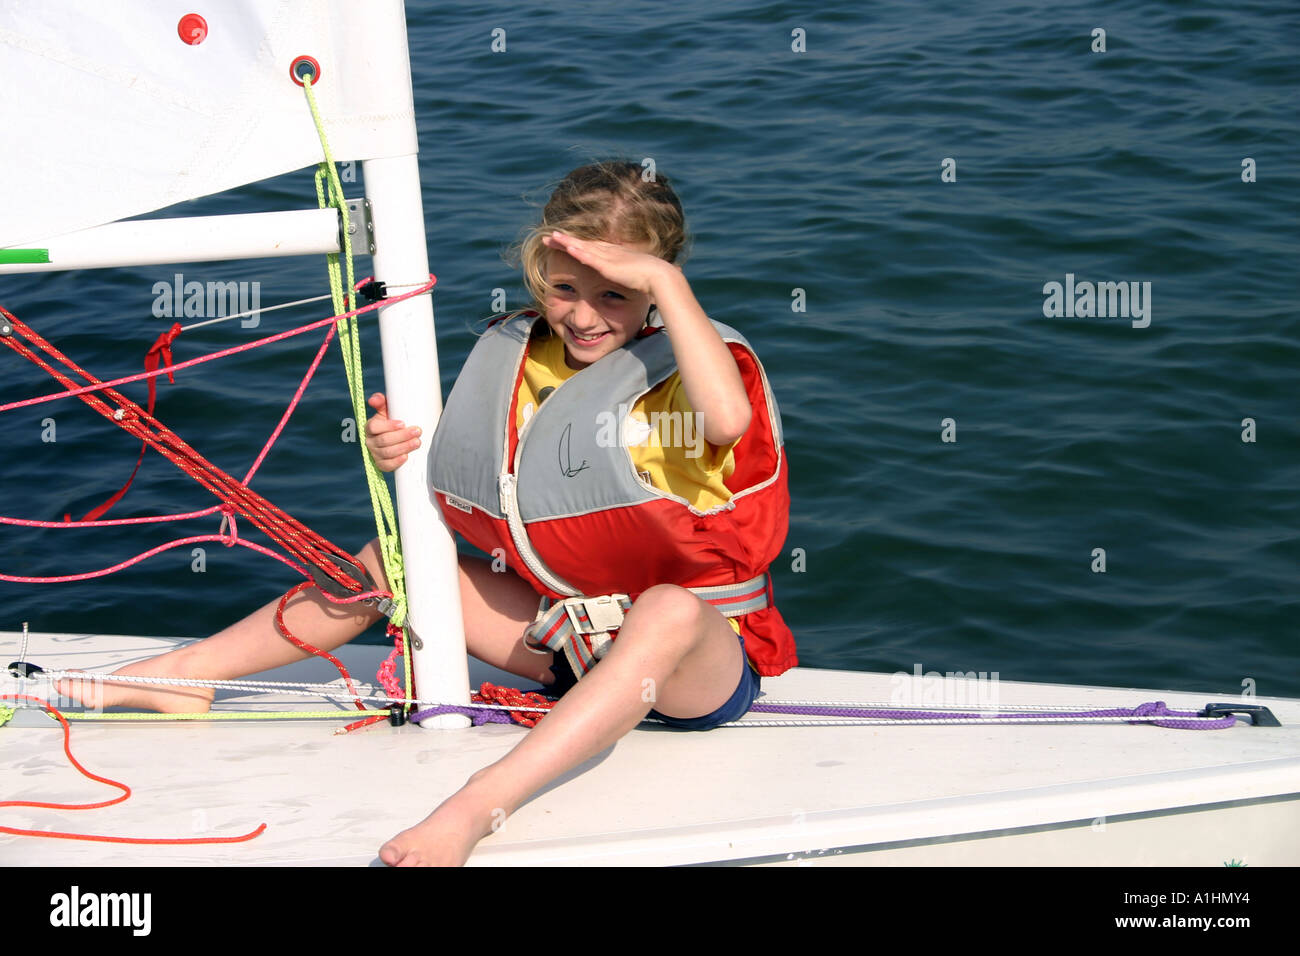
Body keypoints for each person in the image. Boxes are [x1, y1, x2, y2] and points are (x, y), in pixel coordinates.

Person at [59, 161, 794, 866]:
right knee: (393, 561)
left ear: (654, 290)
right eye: (565, 288)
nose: (584, 315)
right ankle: (185, 677)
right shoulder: (524, 351)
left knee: (664, 609)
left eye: (617, 295)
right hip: (567, 641)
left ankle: (477, 806)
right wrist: (397, 448)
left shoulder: (688, 371)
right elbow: (482, 470)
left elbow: (726, 421)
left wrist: (666, 283)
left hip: (695, 661)